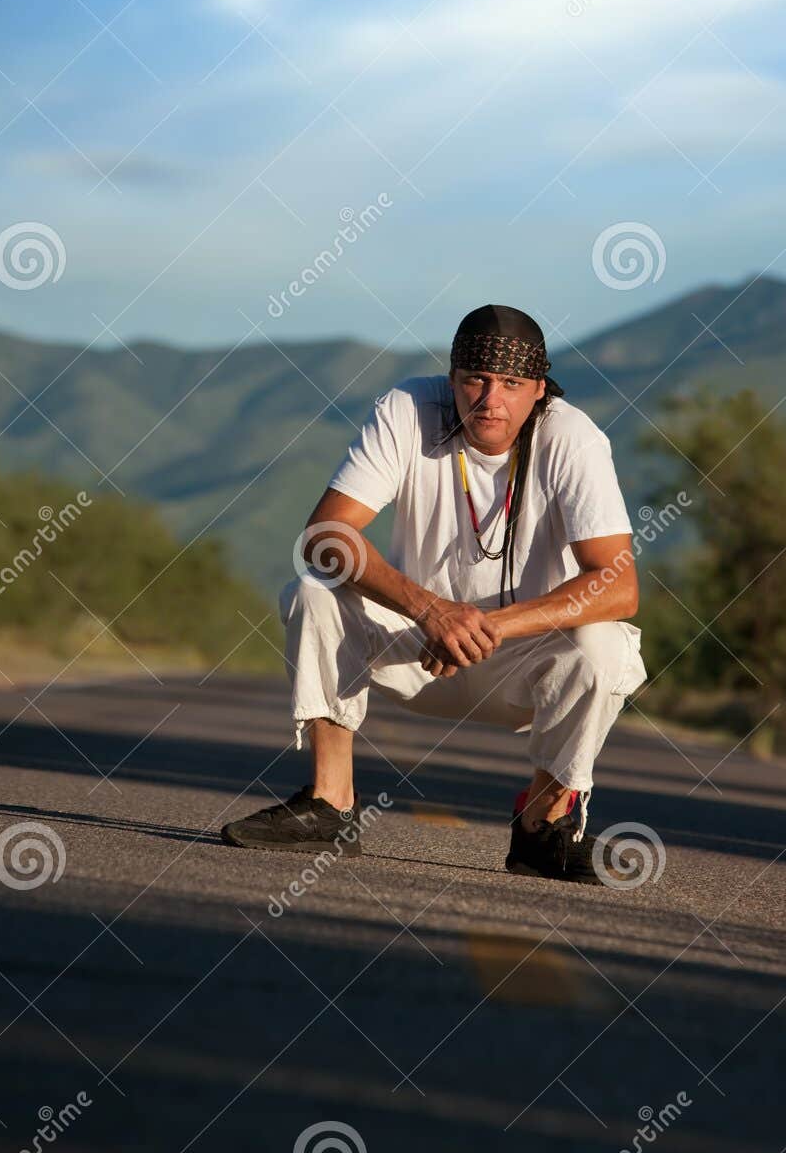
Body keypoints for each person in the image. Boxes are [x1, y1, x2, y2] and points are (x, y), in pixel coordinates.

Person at [221, 304, 648, 882]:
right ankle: (331, 804)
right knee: (314, 588)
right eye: (474, 379)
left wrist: (489, 626)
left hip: (522, 664)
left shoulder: (573, 439)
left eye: (511, 384)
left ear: (539, 390)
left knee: (605, 643)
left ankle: (544, 828)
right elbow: (325, 535)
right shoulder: (406, 409)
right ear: (452, 379)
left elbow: (618, 585)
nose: (489, 399)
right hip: (415, 646)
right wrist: (429, 610)